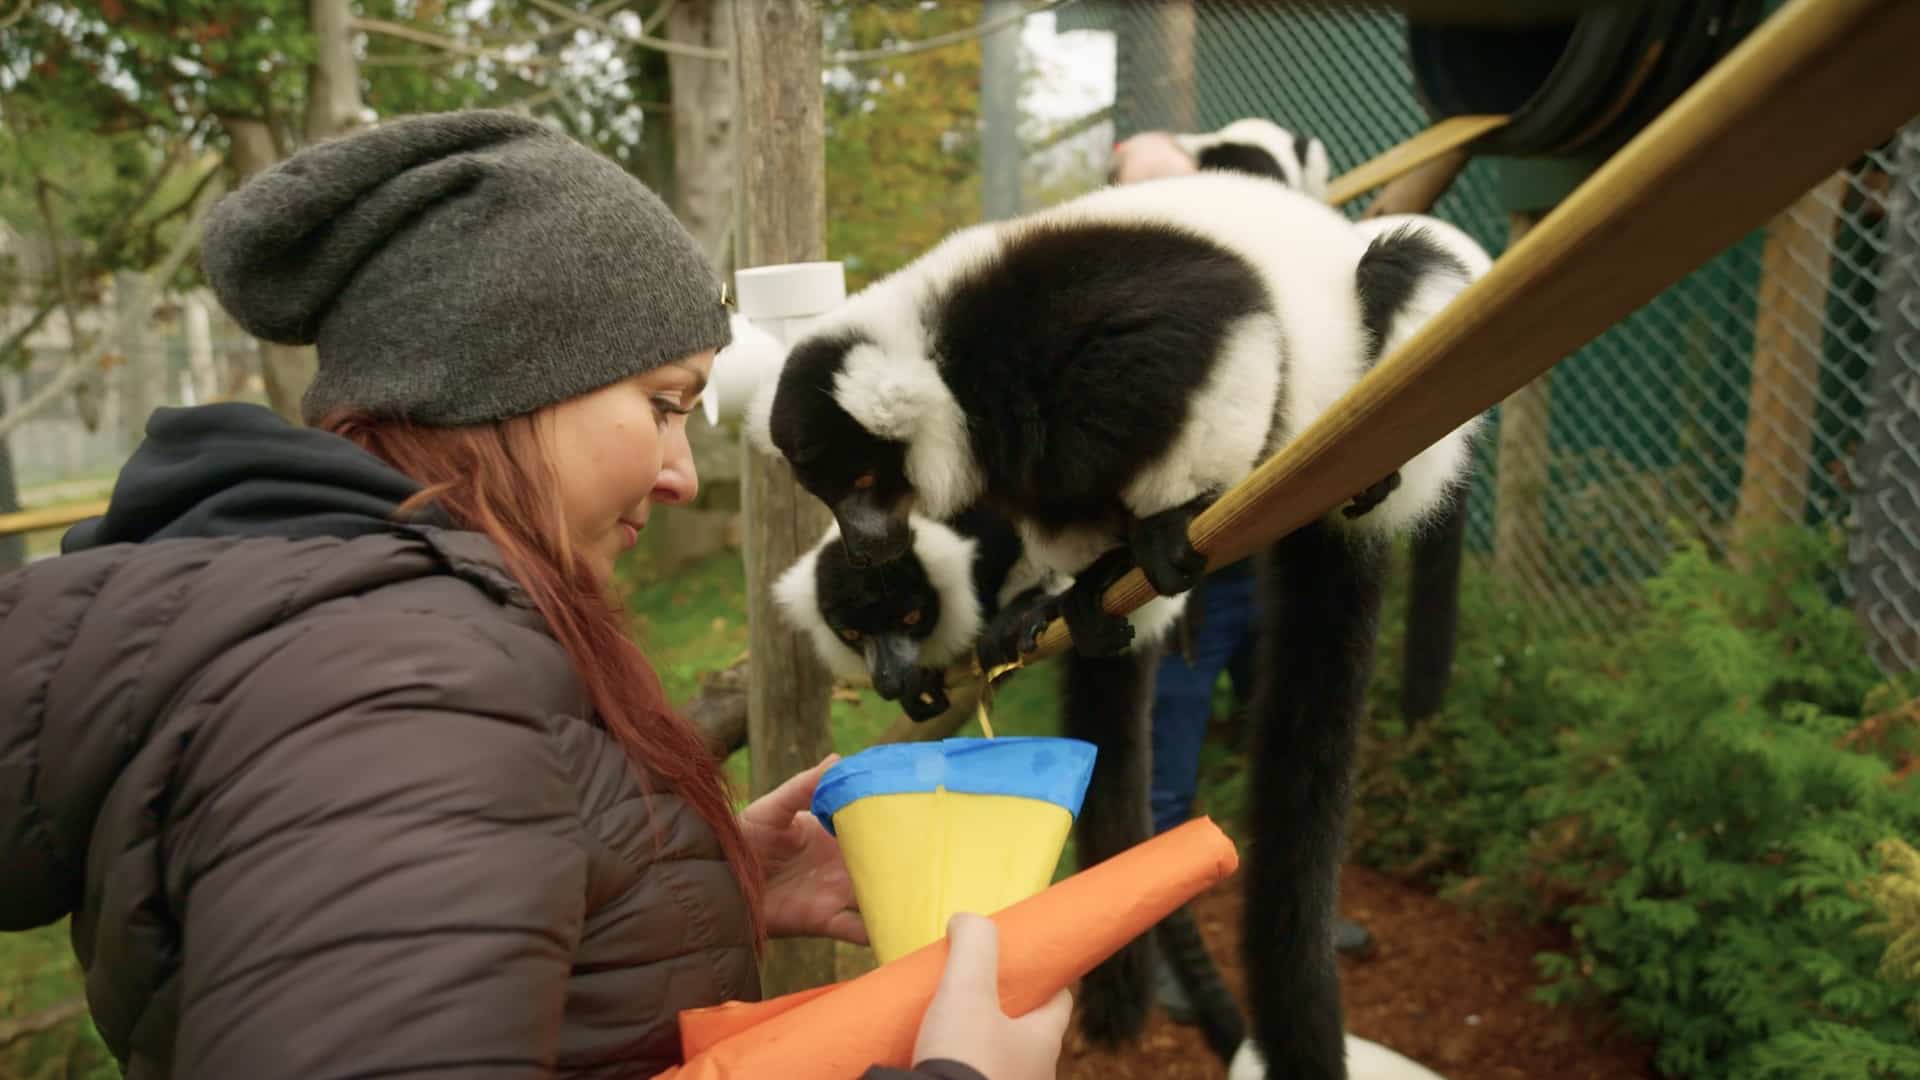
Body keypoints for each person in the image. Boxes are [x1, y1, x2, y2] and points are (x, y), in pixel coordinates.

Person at [0, 109, 1068, 1080]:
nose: (681, 472)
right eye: (661, 403)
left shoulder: (368, 657)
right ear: (499, 382)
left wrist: (666, 879)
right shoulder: (403, 696)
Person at [1105, 127, 1378, 1025]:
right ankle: (1159, 952)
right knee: (1164, 776)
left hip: (1283, 564)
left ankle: (1300, 917)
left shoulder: (1254, 266)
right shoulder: (1101, 299)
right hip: (1179, 591)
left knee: (1297, 754)